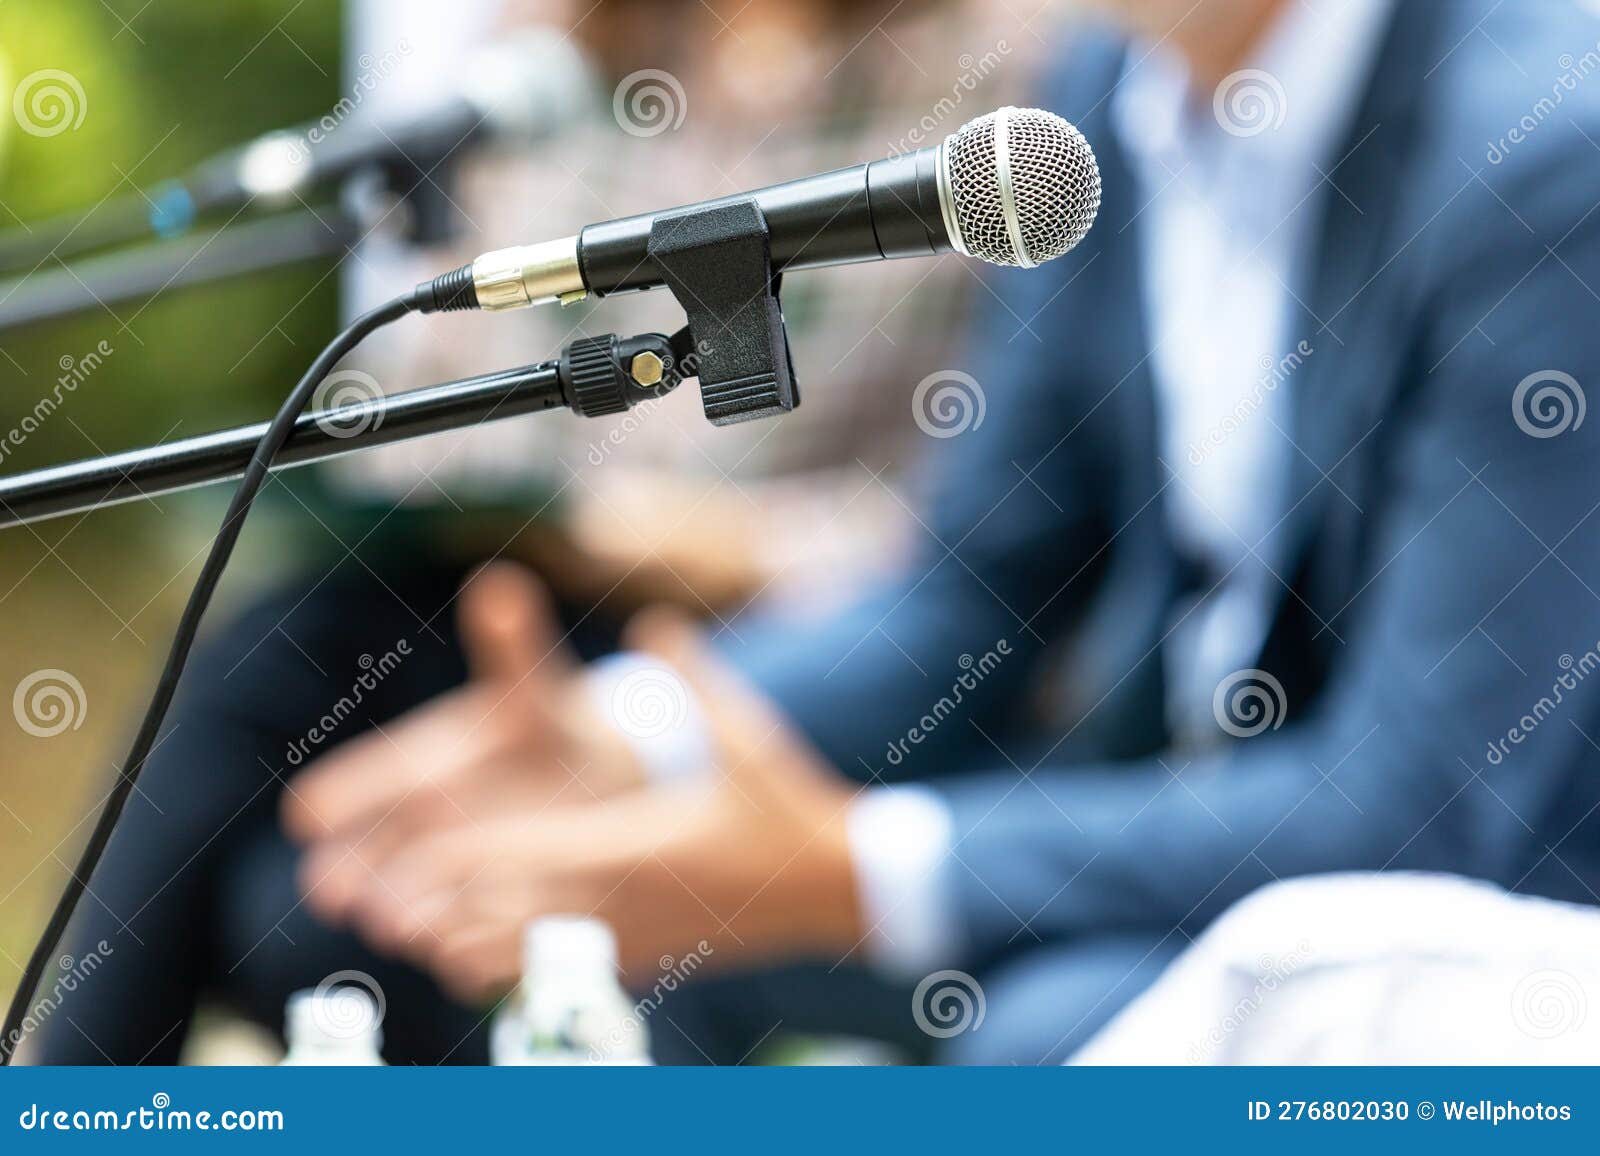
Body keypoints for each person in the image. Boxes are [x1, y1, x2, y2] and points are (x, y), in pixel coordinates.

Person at [278, 0, 1600, 1067]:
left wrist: (853, 870)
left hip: (1492, 914)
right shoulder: (1106, 92)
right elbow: (977, 590)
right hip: (1176, 826)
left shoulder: (1546, 154)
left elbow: (1422, 804)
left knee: (1043, 1035)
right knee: (588, 933)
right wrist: (633, 737)